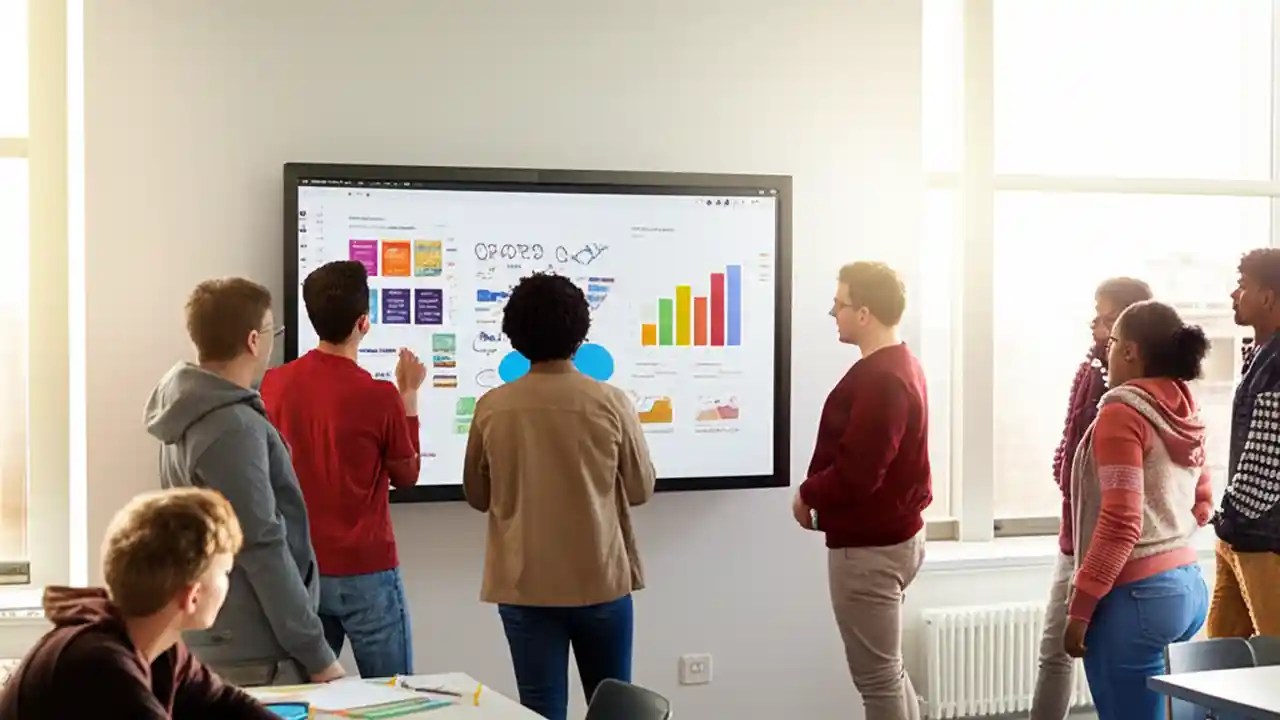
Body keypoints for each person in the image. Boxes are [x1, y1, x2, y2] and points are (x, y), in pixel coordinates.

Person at [462, 272, 656, 720]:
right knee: (613, 711)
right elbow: (641, 489)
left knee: (541, 710)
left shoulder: (492, 407)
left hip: (523, 584)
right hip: (601, 581)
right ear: (581, 332)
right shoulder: (611, 401)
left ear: (514, 334)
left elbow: (477, 495)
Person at [144, 278, 343, 686]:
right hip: (256, 649)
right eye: (273, 332)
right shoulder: (232, 427)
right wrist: (320, 656)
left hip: (217, 636)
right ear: (254, 341)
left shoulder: (188, 411)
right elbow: (263, 547)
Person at [260, 260, 426, 677]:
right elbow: (406, 477)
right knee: (392, 698)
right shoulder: (380, 395)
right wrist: (408, 397)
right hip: (368, 571)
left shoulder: (272, 385)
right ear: (363, 323)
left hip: (301, 569)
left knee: (305, 698)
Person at [0, 488, 280, 718]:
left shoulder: (158, 648)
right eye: (225, 572)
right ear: (192, 596)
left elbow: (223, 704)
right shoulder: (98, 667)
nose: (227, 583)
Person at [793, 261, 932, 720]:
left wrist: (807, 494)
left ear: (865, 313)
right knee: (888, 672)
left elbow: (858, 474)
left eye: (840, 304)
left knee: (876, 679)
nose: (833, 312)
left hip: (870, 550)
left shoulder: (882, 378)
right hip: (896, 537)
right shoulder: (900, 363)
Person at [1062, 300, 1212, 720]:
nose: (1105, 352)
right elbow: (1203, 500)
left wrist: (1081, 606)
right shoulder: (1186, 407)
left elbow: (1122, 520)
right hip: (1187, 586)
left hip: (1138, 596)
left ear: (1129, 350)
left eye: (1111, 343)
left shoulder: (1122, 411)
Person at [1031, 277, 1154, 720]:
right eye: (1095, 318)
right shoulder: (1088, 372)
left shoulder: (1146, 393)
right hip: (1074, 539)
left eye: (1107, 321)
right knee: (1054, 651)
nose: (1097, 329)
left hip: (1126, 551)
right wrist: (1067, 478)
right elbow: (1069, 443)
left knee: (1121, 668)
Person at [1209, 248, 1280, 637]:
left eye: (1242, 287)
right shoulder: (1260, 355)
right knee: (1218, 662)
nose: (1235, 295)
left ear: (1267, 297)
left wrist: (1231, 513)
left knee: (1274, 663)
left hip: (1263, 541)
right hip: (1240, 535)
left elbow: (1266, 460)